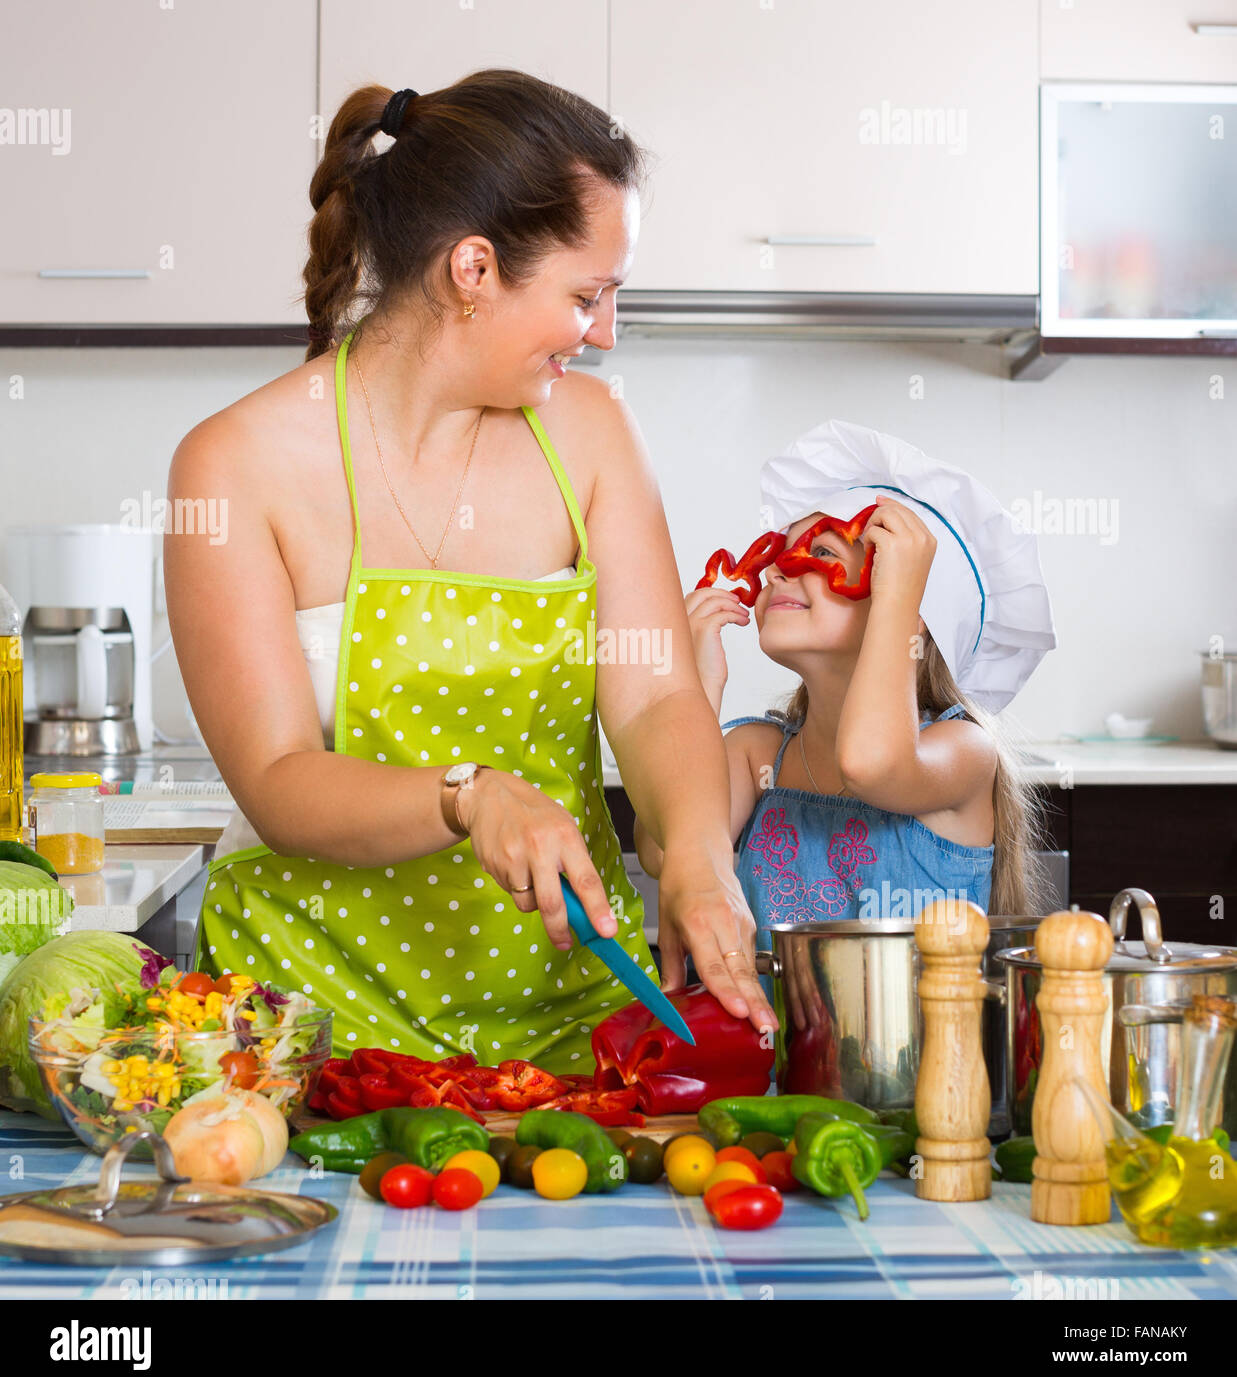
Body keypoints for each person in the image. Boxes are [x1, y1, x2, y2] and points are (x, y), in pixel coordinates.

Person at [164, 71, 776, 1075]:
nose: (607, 332)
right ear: (474, 268)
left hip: (573, 1001)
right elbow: (278, 781)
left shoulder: (591, 432)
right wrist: (467, 795)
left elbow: (657, 691)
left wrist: (702, 863)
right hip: (313, 1025)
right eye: (585, 296)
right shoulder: (234, 464)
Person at [635, 418, 1059, 964]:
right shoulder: (757, 754)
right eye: (780, 554)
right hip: (777, 1049)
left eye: (825, 556)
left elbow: (871, 764)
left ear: (912, 612)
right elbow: (663, 850)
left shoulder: (963, 751)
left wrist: (900, 601)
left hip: (916, 1050)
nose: (779, 572)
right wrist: (693, 691)